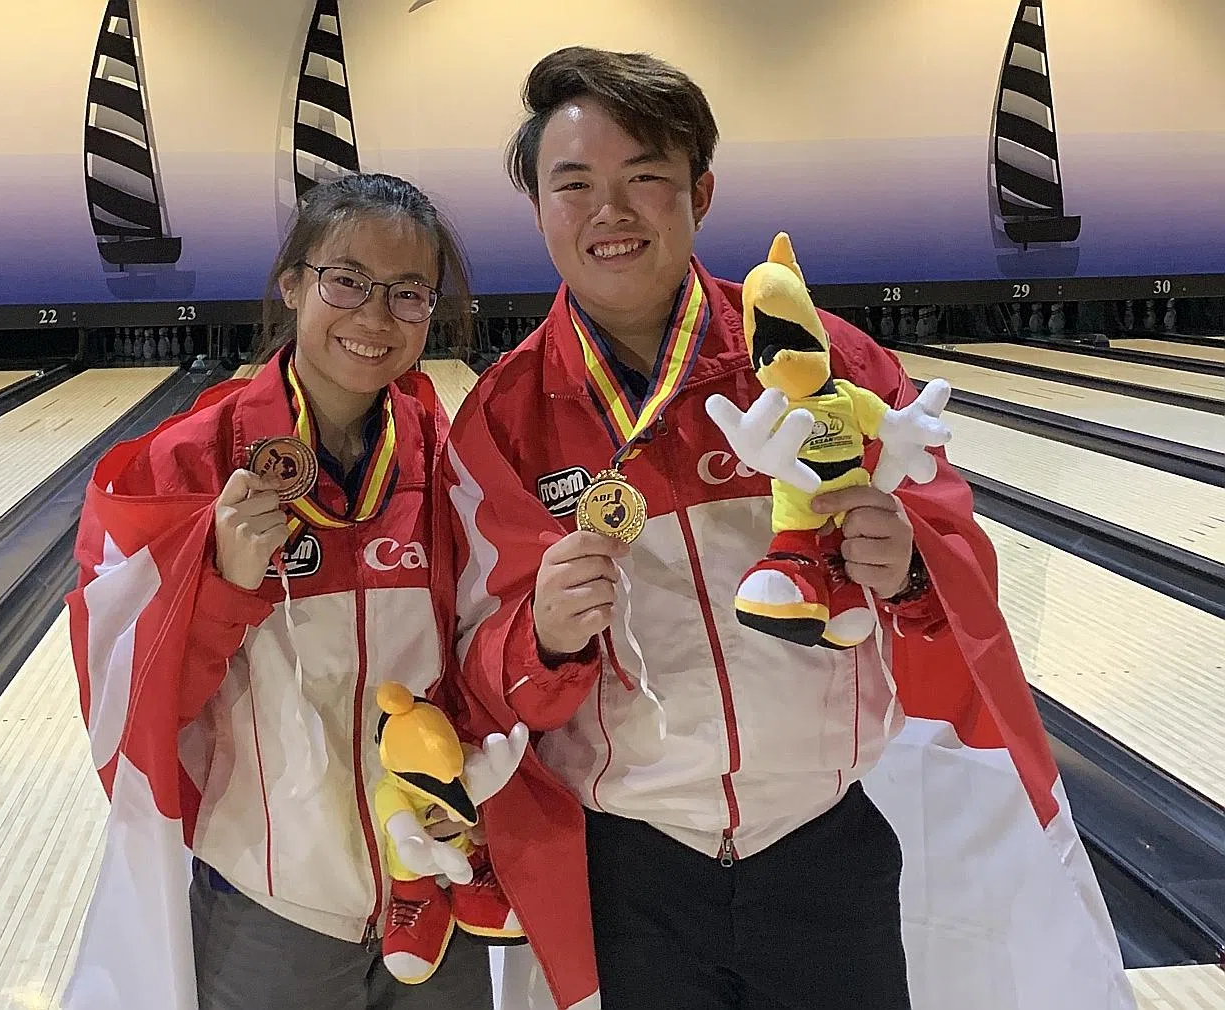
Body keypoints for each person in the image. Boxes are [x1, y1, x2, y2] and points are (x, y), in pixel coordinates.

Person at [438, 47, 1134, 1010]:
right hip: (628, 870)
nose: (613, 212)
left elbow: (960, 568)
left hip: (822, 847)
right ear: (540, 207)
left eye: (646, 178)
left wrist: (909, 570)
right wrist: (546, 637)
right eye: (577, 185)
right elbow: (480, 672)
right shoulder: (503, 422)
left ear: (701, 191)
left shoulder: (821, 357)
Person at [64, 173, 508, 1010]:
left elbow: (480, 654)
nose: (375, 316)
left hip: (435, 888)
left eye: (408, 293)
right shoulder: (189, 463)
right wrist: (221, 584)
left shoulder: (449, 463)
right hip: (269, 908)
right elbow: (129, 711)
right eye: (346, 281)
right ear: (293, 282)